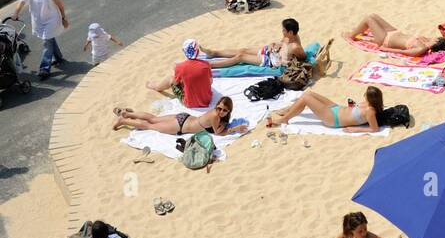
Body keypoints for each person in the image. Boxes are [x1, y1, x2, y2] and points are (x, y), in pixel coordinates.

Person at [11, 0, 68, 79]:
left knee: (46, 41)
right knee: (49, 39)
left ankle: (44, 69)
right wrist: (16, 12)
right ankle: (58, 58)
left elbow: (59, 3)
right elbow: (22, 1)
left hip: (52, 18)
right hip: (39, 20)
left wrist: (63, 17)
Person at [112, 95, 248, 138]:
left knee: (153, 118)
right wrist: (234, 128)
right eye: (219, 108)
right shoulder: (215, 117)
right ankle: (123, 119)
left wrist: (225, 123)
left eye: (224, 110)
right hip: (181, 125)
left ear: (229, 111)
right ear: (216, 106)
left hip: (184, 117)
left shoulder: (215, 115)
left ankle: (128, 113)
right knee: (150, 125)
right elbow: (218, 132)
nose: (220, 111)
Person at [265, 84, 384, 132]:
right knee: (309, 93)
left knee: (306, 98)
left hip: (333, 119)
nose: (364, 96)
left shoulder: (370, 111)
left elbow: (375, 129)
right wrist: (352, 106)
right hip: (337, 109)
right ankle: (289, 110)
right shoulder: (369, 104)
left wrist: (355, 129)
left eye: (366, 95)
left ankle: (285, 118)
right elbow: (356, 114)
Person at [345, 14, 445, 55]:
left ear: (436, 41)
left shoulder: (421, 48)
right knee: (373, 15)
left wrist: (386, 49)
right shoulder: (426, 40)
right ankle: (361, 30)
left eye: (435, 38)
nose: (433, 37)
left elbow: (402, 52)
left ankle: (351, 36)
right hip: (393, 32)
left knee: (368, 19)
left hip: (386, 40)